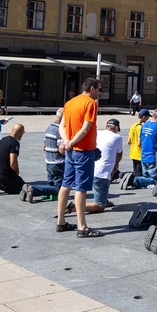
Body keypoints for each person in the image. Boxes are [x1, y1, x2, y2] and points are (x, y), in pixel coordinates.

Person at [55, 78, 104, 238]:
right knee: (81, 188)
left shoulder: (70, 103)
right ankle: (82, 227)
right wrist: (72, 142)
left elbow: (61, 126)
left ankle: (61, 222)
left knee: (66, 184)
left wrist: (66, 142)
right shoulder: (90, 103)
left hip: (71, 151)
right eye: (98, 89)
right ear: (91, 89)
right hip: (83, 150)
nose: (99, 93)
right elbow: (85, 129)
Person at [89, 118, 123, 212]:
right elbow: (119, 154)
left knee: (103, 184)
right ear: (116, 127)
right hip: (102, 172)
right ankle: (76, 207)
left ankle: (104, 199)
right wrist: (116, 163)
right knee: (100, 206)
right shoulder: (117, 137)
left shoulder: (98, 133)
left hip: (92, 168)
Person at [0, 123, 27, 195]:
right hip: (4, 174)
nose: (22, 134)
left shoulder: (3, 139)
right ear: (19, 132)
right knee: (22, 188)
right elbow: (13, 161)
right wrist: (16, 171)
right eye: (23, 132)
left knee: (13, 183)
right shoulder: (14, 143)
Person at [133, 109, 157, 189]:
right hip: (152, 156)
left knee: (147, 179)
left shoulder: (144, 125)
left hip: (143, 156)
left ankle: (138, 180)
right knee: (155, 180)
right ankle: (134, 180)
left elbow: (139, 143)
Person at [40, 108, 65, 202]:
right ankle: (35, 190)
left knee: (50, 181)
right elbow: (61, 150)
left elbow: (44, 146)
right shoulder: (60, 130)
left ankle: (47, 194)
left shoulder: (49, 128)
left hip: (48, 160)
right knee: (58, 185)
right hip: (58, 162)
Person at [127, 109, 149, 175]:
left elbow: (129, 141)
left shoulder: (133, 126)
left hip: (133, 152)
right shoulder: (141, 128)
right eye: (147, 117)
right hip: (139, 152)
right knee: (139, 173)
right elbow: (140, 142)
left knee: (135, 171)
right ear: (144, 117)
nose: (147, 119)